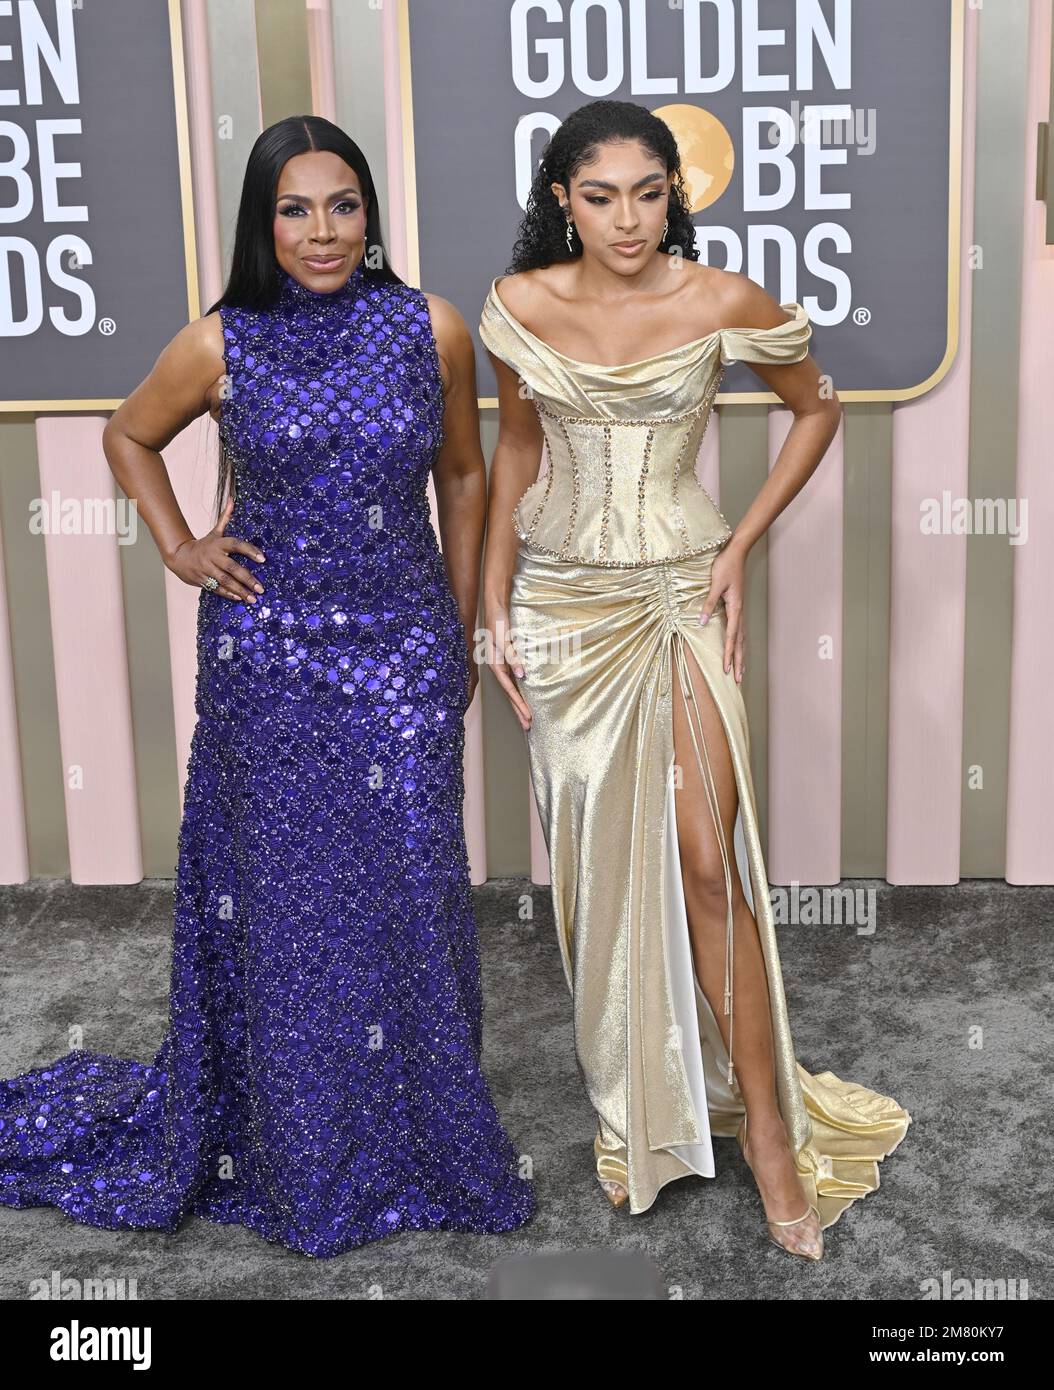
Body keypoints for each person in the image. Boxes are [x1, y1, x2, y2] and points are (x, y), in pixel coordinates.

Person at [0, 116, 534, 1257]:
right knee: (287, 909)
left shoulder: (429, 326)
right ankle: (294, 1147)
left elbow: (462, 470)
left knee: (412, 891)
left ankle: (423, 1141)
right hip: (270, 656)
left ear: (370, 212)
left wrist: (452, 629)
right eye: (295, 209)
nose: (323, 230)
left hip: (397, 647)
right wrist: (182, 545)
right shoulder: (219, 342)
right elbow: (128, 436)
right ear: (262, 221)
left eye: (343, 204)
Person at [480, 100, 910, 1262]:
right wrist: (488, 606)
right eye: (600, 193)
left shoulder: (721, 299)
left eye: (649, 191)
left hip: (677, 593)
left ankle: (769, 1130)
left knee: (708, 861)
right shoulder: (520, 306)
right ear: (560, 198)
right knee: (598, 878)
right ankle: (651, 1118)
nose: (627, 217)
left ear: (677, 191)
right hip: (563, 606)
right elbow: (517, 447)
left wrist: (737, 548)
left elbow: (815, 409)